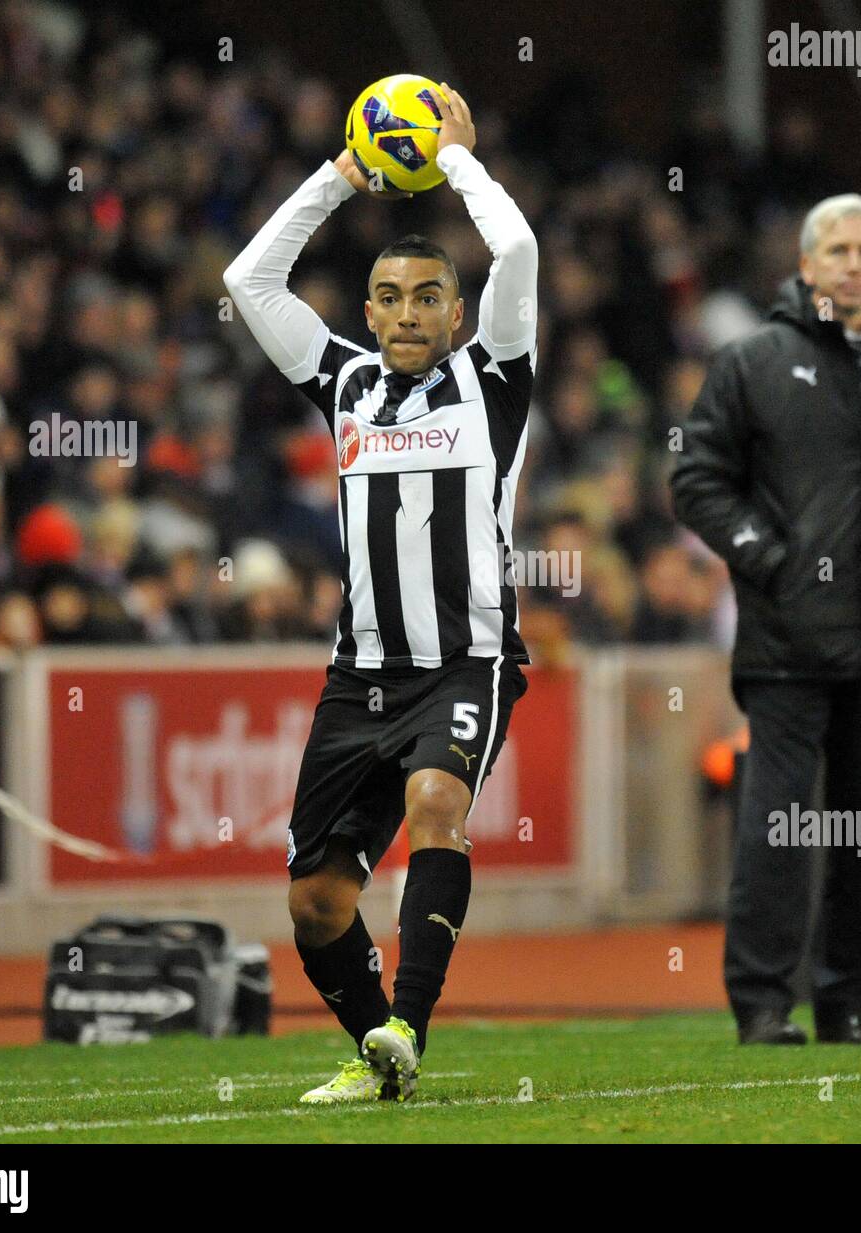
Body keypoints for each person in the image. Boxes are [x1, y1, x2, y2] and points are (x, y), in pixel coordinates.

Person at [224, 85, 537, 1103]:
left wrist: (456, 159)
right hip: (358, 675)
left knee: (438, 802)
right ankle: (378, 1054)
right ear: (367, 314)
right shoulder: (344, 383)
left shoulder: (493, 380)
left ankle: (410, 1015)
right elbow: (249, 279)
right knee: (315, 901)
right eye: (389, 298)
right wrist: (336, 177)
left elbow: (520, 253)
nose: (407, 314)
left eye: (427, 298)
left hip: (465, 658)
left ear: (457, 312)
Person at [671, 193, 861, 1045]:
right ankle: (763, 1003)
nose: (850, 263)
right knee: (778, 828)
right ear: (806, 266)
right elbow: (696, 478)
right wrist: (767, 558)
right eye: (834, 249)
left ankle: (847, 1002)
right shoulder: (754, 362)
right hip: (787, 643)